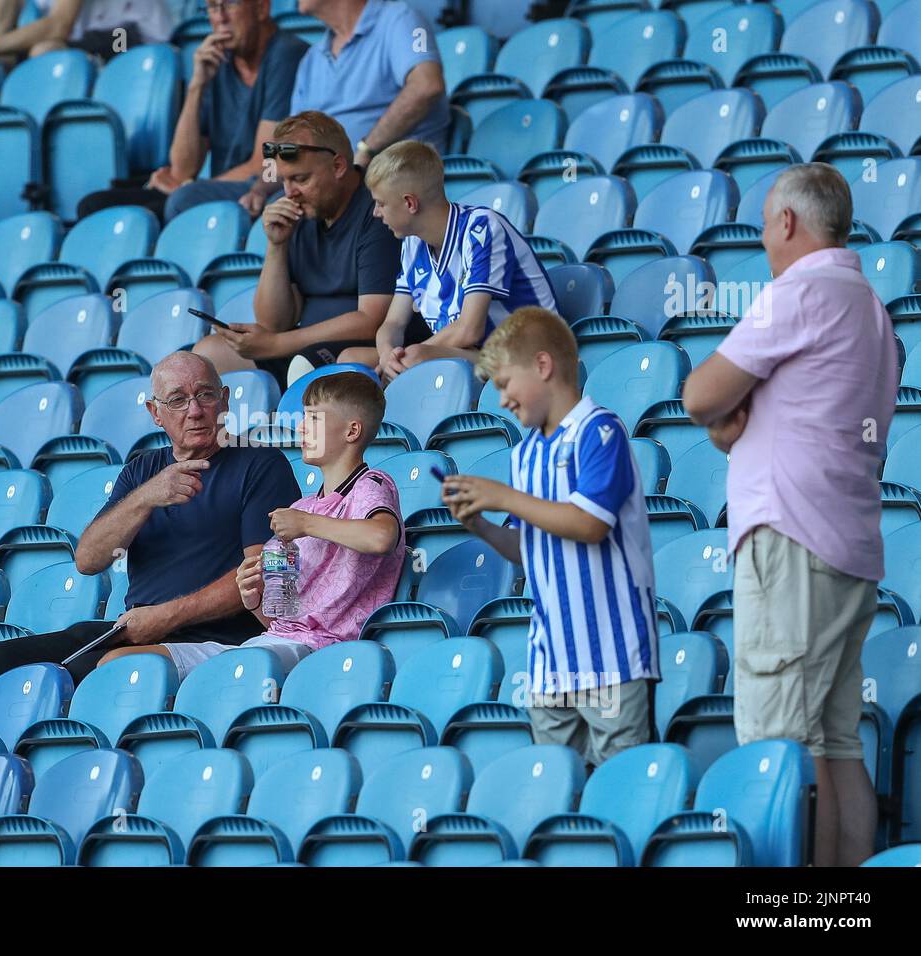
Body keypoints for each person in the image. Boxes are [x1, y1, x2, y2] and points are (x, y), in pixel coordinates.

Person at [681, 163, 896, 867]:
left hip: (791, 537)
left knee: (785, 743)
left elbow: (699, 395)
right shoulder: (871, 305)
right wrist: (733, 415)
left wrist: (725, 412)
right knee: (835, 740)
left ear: (786, 222)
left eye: (767, 221)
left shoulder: (797, 290)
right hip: (849, 541)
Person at [0, 351, 299, 683]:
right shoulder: (142, 470)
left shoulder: (261, 464)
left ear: (225, 400)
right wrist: (147, 496)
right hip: (136, 628)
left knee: (84, 674)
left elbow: (263, 577)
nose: (195, 410)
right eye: (177, 400)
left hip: (216, 636)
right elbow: (88, 559)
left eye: (205, 394)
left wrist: (166, 616)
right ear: (155, 413)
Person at [439, 306, 659, 767]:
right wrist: (478, 524)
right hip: (549, 658)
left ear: (543, 366)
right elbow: (525, 548)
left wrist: (501, 498)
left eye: (504, 384)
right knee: (558, 791)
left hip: (612, 655)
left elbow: (589, 524)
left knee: (616, 789)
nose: (501, 400)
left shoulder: (600, 431)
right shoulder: (525, 456)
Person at [100, 371, 404, 679]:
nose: (301, 427)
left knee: (238, 671)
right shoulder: (301, 508)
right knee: (120, 662)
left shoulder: (371, 485)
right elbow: (278, 615)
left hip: (323, 647)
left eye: (313, 419)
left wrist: (308, 524)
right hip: (273, 641)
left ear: (352, 431)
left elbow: (381, 537)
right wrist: (253, 596)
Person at [191, 111, 403, 388]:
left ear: (339, 166)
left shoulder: (377, 210)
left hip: (355, 351)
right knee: (207, 355)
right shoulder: (299, 210)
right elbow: (274, 321)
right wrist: (276, 246)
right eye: (284, 180)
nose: (289, 192)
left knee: (304, 367)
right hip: (302, 344)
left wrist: (277, 344)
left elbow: (372, 319)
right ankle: (243, 432)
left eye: (300, 179)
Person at [341, 140, 557, 382]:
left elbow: (469, 330)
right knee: (351, 358)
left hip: (527, 355)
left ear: (410, 203)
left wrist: (411, 355)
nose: (375, 213)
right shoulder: (412, 243)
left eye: (381, 204)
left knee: (416, 358)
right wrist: (387, 356)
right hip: (474, 356)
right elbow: (393, 323)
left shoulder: (481, 227)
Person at [77, 0, 307, 222]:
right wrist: (197, 85)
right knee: (94, 205)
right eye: (212, 7)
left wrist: (191, 188)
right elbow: (182, 168)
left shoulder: (286, 55)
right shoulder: (217, 61)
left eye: (230, 4)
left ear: (261, 7)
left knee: (180, 200)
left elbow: (263, 163)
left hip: (259, 188)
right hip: (211, 189)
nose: (220, 17)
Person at [239, 0, 449, 218]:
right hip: (327, 187)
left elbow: (427, 86)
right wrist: (261, 188)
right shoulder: (313, 58)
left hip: (390, 185)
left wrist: (367, 149)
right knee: (269, 215)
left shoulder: (402, 19)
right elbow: (286, 144)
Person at [0, 0, 173, 68]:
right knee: (15, 56)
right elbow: (3, 20)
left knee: (45, 51)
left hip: (132, 35)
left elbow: (57, 25)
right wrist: (0, 55)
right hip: (87, 36)